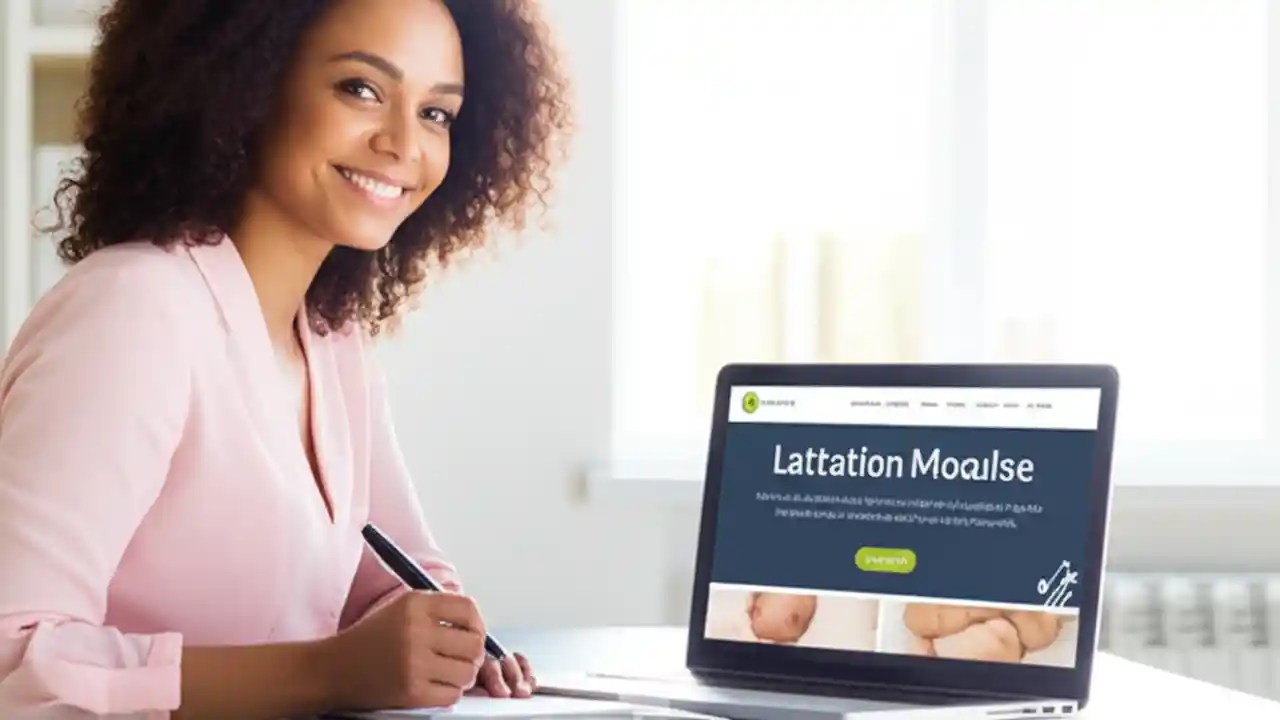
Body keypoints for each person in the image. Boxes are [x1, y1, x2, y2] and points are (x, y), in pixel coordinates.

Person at [0, 0, 570, 717]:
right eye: (360, 88)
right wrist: (328, 673)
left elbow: (402, 580)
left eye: (436, 114)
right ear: (248, 82)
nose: (403, 143)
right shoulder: (135, 309)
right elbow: (12, 659)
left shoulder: (332, 342)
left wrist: (443, 645)